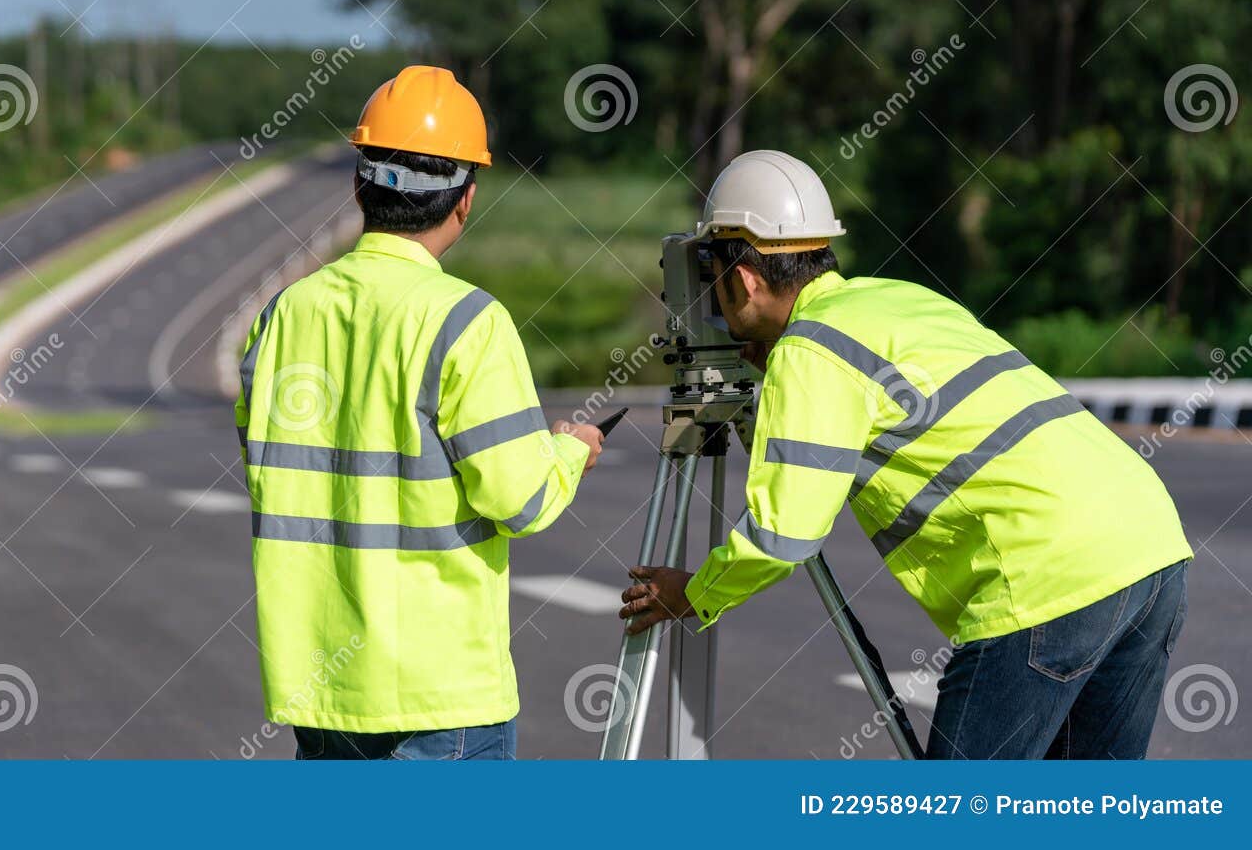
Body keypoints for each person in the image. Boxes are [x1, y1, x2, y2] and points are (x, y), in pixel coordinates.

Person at [621, 149, 1191, 759]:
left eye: (712, 274)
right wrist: (784, 365)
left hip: (1045, 577)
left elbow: (783, 535)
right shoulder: (893, 299)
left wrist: (696, 592)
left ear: (744, 277)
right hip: (1150, 548)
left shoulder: (810, 353)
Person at [236, 64, 603, 761]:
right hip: (441, 698)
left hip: (322, 688)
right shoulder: (468, 322)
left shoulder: (283, 315)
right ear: (465, 199)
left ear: (359, 185)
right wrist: (569, 451)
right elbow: (520, 498)